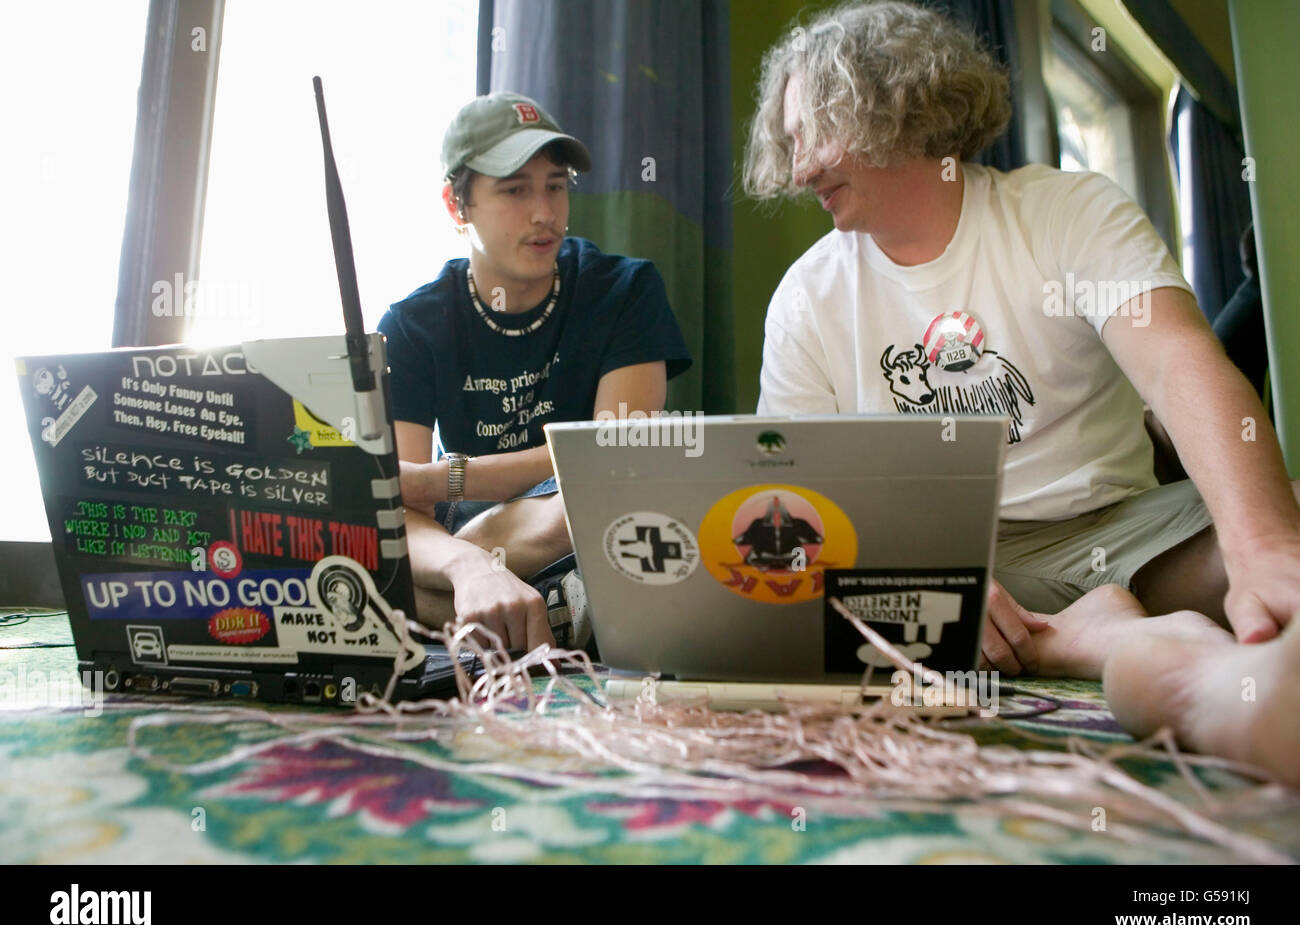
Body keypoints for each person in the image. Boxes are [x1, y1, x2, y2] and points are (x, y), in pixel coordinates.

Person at [743, 0, 1300, 785]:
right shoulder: (807, 297)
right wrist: (919, 566)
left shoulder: (1068, 211)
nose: (800, 171)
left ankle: (1076, 638)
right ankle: (1090, 646)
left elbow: (1179, 364)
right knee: (796, 605)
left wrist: (1266, 550)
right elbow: (794, 495)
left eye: (816, 132)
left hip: (1130, 533)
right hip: (945, 560)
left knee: (1287, 516)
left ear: (897, 102)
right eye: (791, 144)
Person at [380, 92, 692, 652]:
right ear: (458, 206)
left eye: (555, 184)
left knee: (619, 490)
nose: (545, 212)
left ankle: (474, 612)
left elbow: (613, 453)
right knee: (375, 545)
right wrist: (471, 566)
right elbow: (396, 509)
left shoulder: (623, 289)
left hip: (582, 515)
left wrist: (440, 481)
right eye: (515, 189)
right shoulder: (411, 325)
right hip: (474, 526)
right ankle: (531, 605)